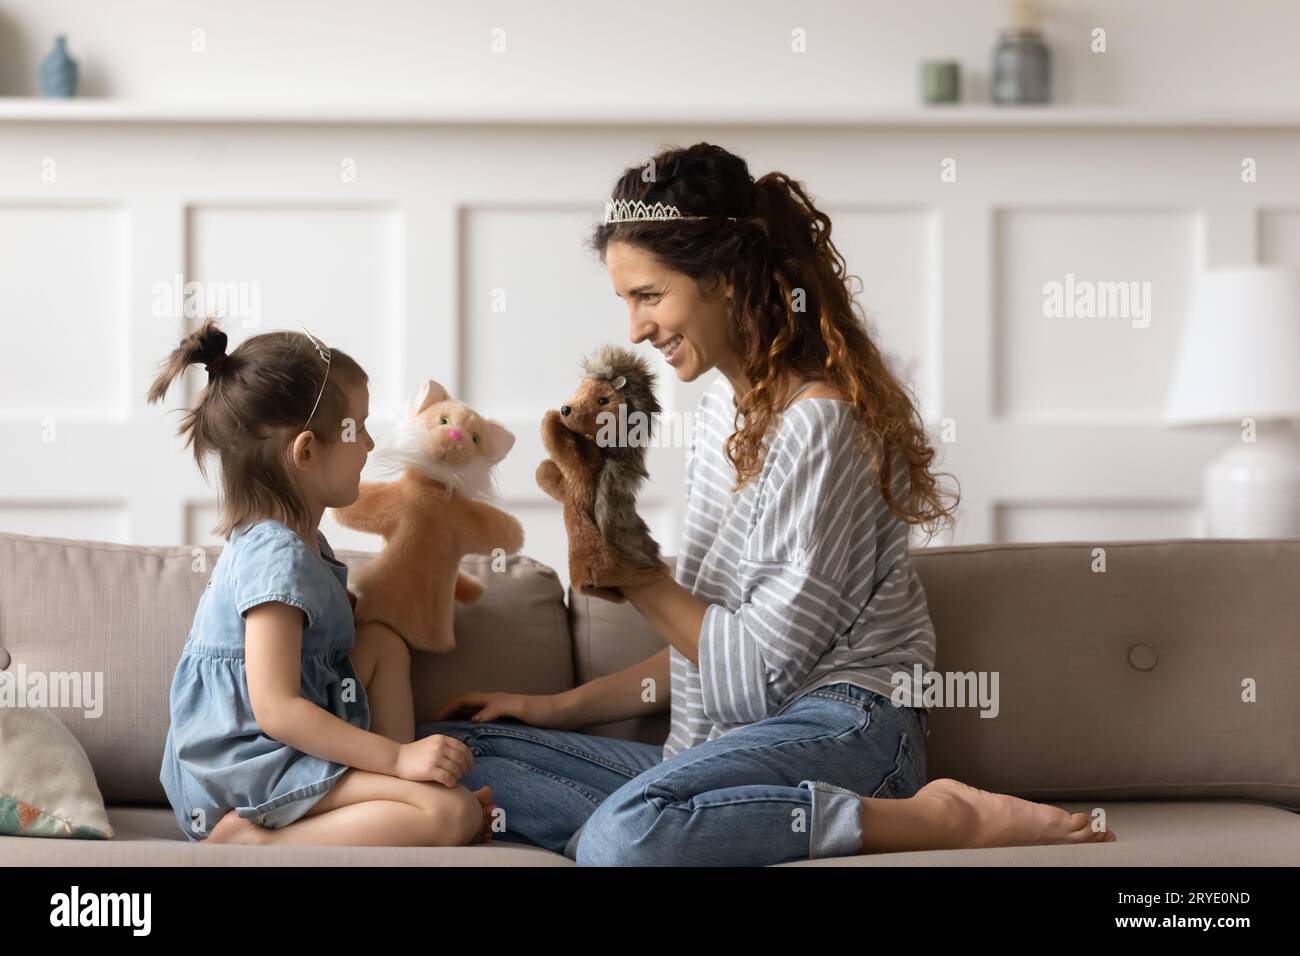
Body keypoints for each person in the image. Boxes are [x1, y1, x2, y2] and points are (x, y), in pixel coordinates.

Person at [415, 142, 1118, 865]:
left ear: (724, 278)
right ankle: (705, 818)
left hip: (847, 726)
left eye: (648, 295)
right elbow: (716, 647)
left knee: (625, 838)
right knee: (447, 755)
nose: (634, 329)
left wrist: (622, 556)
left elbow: (754, 680)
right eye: (625, 301)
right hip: (726, 743)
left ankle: (939, 818)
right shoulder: (724, 406)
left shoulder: (821, 423)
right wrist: (559, 707)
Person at [150, 318, 495, 847]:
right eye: (358, 428)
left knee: (383, 644)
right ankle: (250, 843)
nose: (371, 442)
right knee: (451, 815)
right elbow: (276, 709)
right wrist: (399, 756)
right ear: (307, 452)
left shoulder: (304, 541)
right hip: (244, 771)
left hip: (281, 750)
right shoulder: (274, 556)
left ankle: (395, 798)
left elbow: (319, 652)